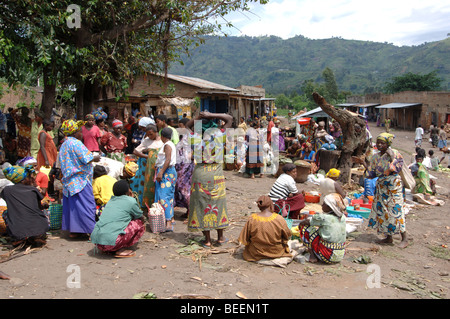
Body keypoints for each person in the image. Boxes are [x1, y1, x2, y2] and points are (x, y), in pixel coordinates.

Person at [352, 132, 408, 248]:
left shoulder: (395, 154)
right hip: (381, 186)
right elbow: (371, 173)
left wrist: (391, 155)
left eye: (382, 143)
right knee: (383, 211)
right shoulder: (376, 156)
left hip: (393, 186)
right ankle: (389, 237)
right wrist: (363, 163)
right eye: (378, 142)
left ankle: (404, 238)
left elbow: (397, 168)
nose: (379, 145)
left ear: (388, 144)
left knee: (396, 211)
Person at [186, 111, 231, 248]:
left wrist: (199, 117)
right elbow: (229, 119)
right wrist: (211, 115)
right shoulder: (219, 135)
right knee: (218, 203)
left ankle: (207, 240)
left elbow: (187, 126)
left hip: (200, 173)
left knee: (201, 204)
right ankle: (221, 237)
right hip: (216, 174)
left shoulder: (196, 137)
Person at [59, 120, 101, 238]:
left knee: (73, 207)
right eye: (79, 131)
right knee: (87, 205)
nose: (81, 133)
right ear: (75, 132)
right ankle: (89, 230)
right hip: (80, 180)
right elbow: (87, 158)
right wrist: (96, 158)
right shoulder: (76, 143)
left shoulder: (64, 145)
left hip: (68, 181)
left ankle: (75, 231)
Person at [90, 180, 145, 258]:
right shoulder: (130, 201)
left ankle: (107, 248)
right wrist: (132, 198)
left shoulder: (110, 201)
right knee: (139, 223)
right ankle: (120, 249)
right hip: (112, 243)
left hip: (98, 243)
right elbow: (139, 216)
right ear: (128, 191)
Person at [1, 165, 49, 247]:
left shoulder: (6, 190)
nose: (32, 179)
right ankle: (38, 235)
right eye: (29, 177)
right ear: (23, 180)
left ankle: (18, 237)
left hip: (17, 230)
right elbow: (39, 207)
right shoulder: (33, 190)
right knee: (43, 211)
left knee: (6, 213)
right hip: (39, 227)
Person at [238, 195, 292, 262]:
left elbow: (245, 238)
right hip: (276, 252)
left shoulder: (252, 218)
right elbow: (287, 235)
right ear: (271, 205)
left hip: (256, 252)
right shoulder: (279, 218)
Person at [297, 193, 347, 263]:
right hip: (340, 255)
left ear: (330, 207)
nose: (322, 205)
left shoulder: (323, 217)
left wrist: (300, 224)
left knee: (305, 228)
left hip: (326, 255)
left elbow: (307, 222)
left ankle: (312, 256)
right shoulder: (343, 217)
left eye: (324, 203)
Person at [130, 124, 163, 209]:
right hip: (148, 168)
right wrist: (147, 157)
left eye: (151, 134)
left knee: (158, 186)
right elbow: (136, 151)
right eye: (147, 134)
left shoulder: (162, 141)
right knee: (149, 185)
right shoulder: (146, 141)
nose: (149, 136)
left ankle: (159, 207)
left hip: (160, 167)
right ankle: (147, 206)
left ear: (156, 132)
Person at [154, 127, 177, 232]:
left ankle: (168, 222)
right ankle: (171, 218)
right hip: (170, 172)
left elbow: (167, 160)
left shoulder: (167, 145)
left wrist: (161, 172)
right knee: (169, 196)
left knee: (163, 197)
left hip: (166, 172)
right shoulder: (171, 144)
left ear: (162, 136)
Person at [174, 117, 194, 220]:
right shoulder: (184, 137)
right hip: (181, 167)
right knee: (181, 189)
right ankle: (188, 211)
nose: (179, 128)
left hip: (186, 168)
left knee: (186, 190)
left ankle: (191, 214)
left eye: (180, 126)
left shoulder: (190, 136)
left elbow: (192, 152)